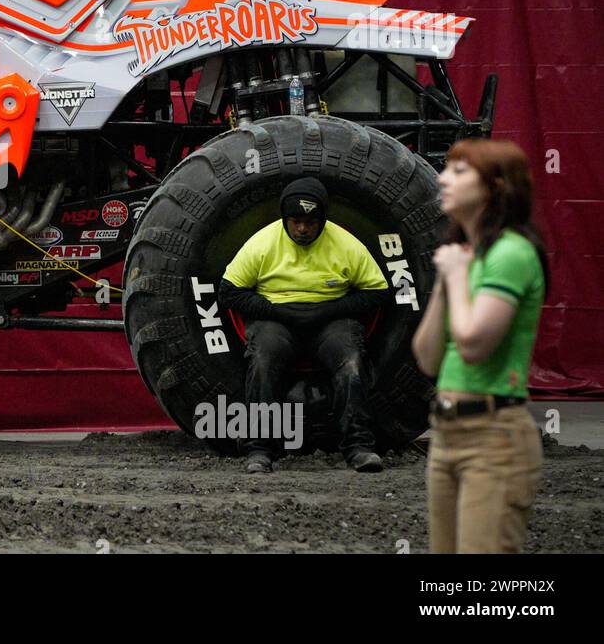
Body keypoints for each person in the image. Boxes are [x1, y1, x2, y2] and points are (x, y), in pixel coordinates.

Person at [411, 139, 548, 553]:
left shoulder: (512, 253)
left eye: (458, 171)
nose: (441, 178)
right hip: (447, 435)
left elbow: (472, 345)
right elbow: (428, 357)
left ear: (496, 187)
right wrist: (447, 280)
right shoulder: (467, 258)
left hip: (494, 439)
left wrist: (454, 276)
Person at [219, 177, 391, 474]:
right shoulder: (262, 243)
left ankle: (359, 447)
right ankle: (259, 450)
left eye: (311, 222)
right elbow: (228, 292)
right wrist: (278, 312)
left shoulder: (346, 244)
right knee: (263, 359)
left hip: (329, 320)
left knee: (350, 360)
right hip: (277, 321)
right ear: (285, 219)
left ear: (323, 219)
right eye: (296, 221)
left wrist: (327, 311)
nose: (302, 229)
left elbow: (377, 292)